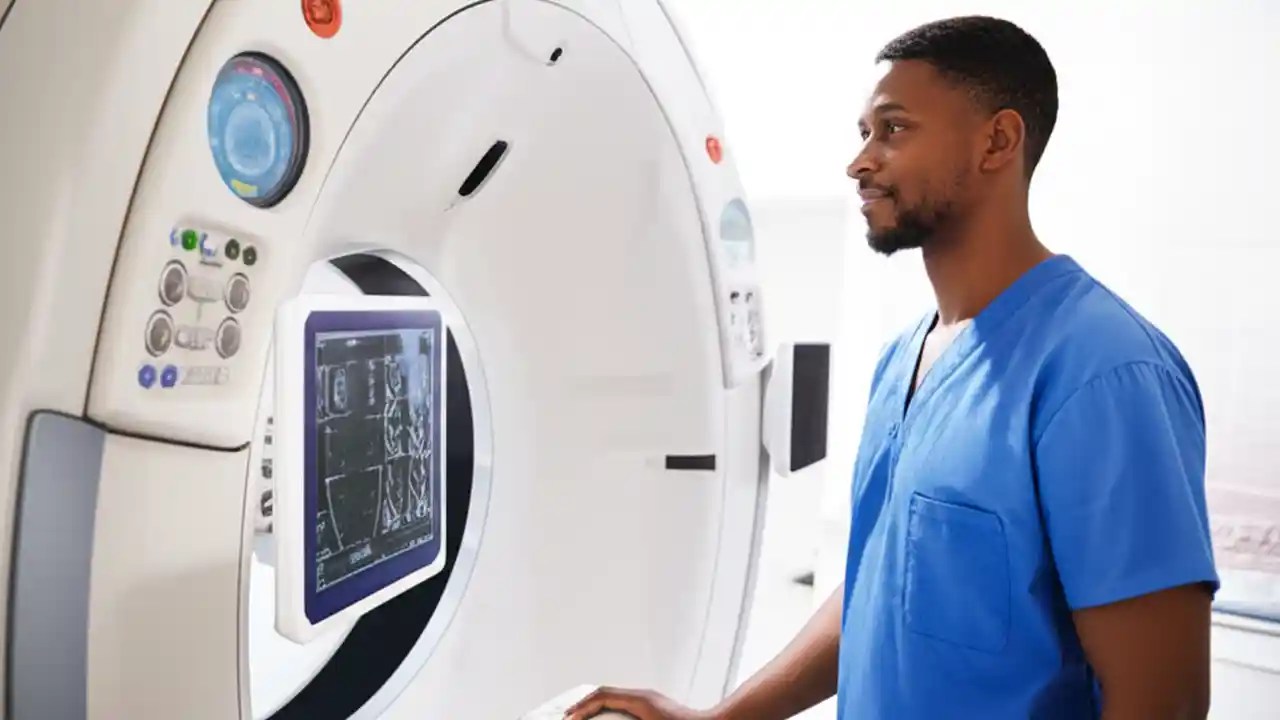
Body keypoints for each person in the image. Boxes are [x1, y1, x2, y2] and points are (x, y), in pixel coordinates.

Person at [565, 14, 1219, 720]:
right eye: (864, 133)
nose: (860, 162)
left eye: (894, 129)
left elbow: (1166, 702)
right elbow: (881, 586)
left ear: (998, 141)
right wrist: (720, 719)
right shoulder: (904, 357)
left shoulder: (1104, 371)